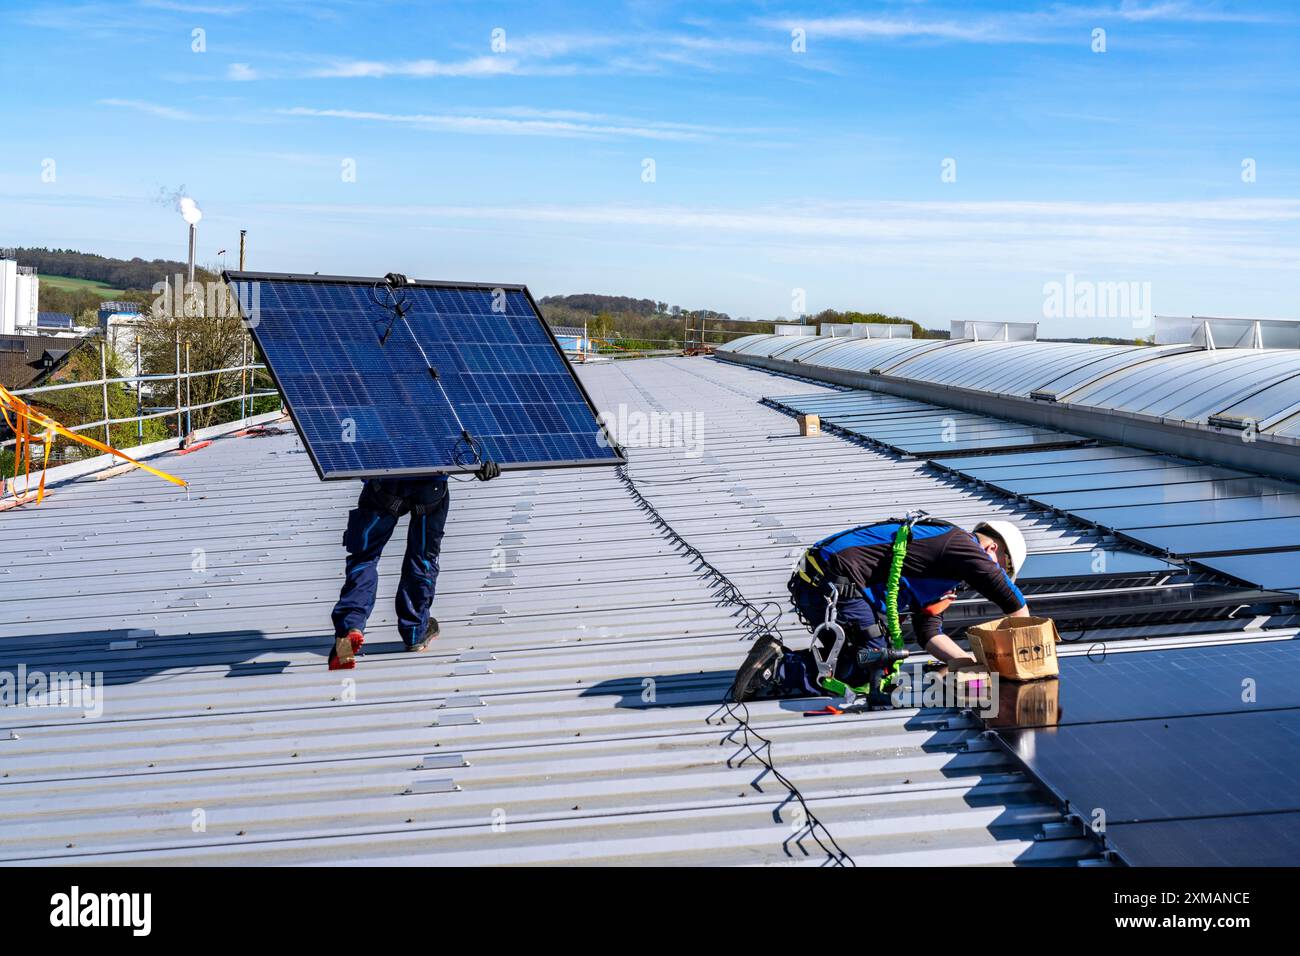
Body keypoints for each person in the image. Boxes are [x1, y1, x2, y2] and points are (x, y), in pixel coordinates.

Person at [730, 516, 1029, 702]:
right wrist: (1027, 656)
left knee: (858, 667)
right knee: (872, 665)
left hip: (823, 587)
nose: (995, 574)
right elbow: (1010, 599)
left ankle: (779, 660)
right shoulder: (960, 543)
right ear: (992, 550)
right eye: (1002, 568)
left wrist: (965, 663)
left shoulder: (946, 573)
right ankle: (778, 670)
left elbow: (928, 632)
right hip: (833, 582)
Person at [328, 462, 498, 669]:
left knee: (364, 557)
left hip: (383, 480)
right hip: (431, 483)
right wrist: (482, 462)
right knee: (422, 557)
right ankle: (414, 632)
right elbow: (473, 435)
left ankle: (349, 628)